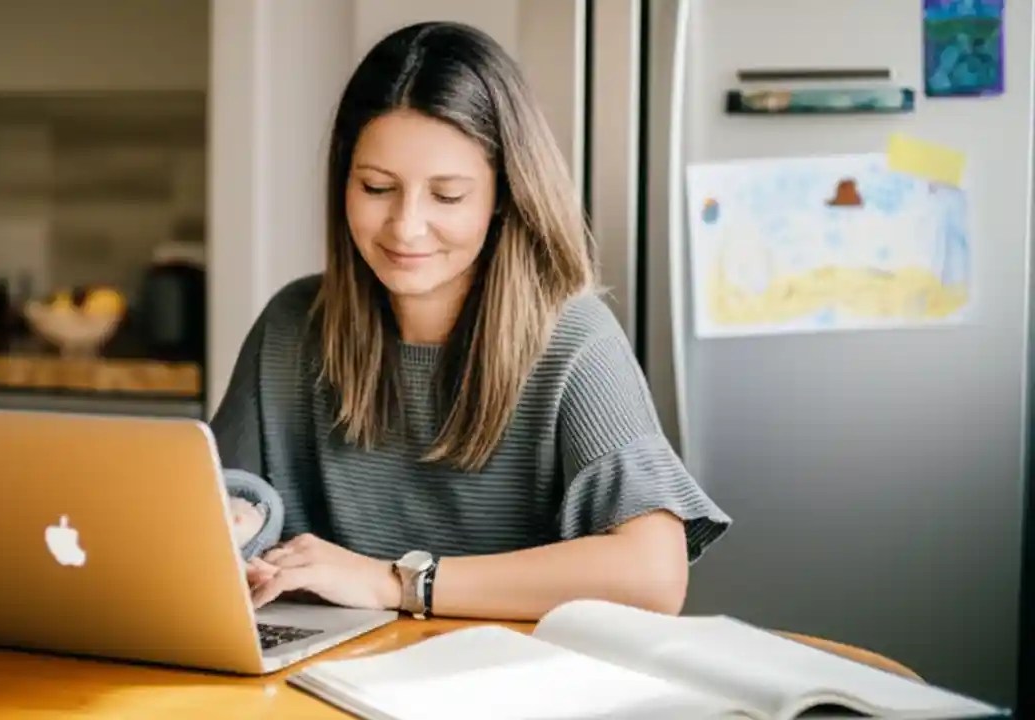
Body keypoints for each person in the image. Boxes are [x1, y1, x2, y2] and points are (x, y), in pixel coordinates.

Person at [210, 20, 730, 623]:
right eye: (377, 187)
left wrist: (397, 582)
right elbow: (226, 493)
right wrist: (239, 517)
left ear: (504, 196)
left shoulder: (572, 341)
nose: (405, 226)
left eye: (447, 196)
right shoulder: (292, 325)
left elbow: (654, 575)